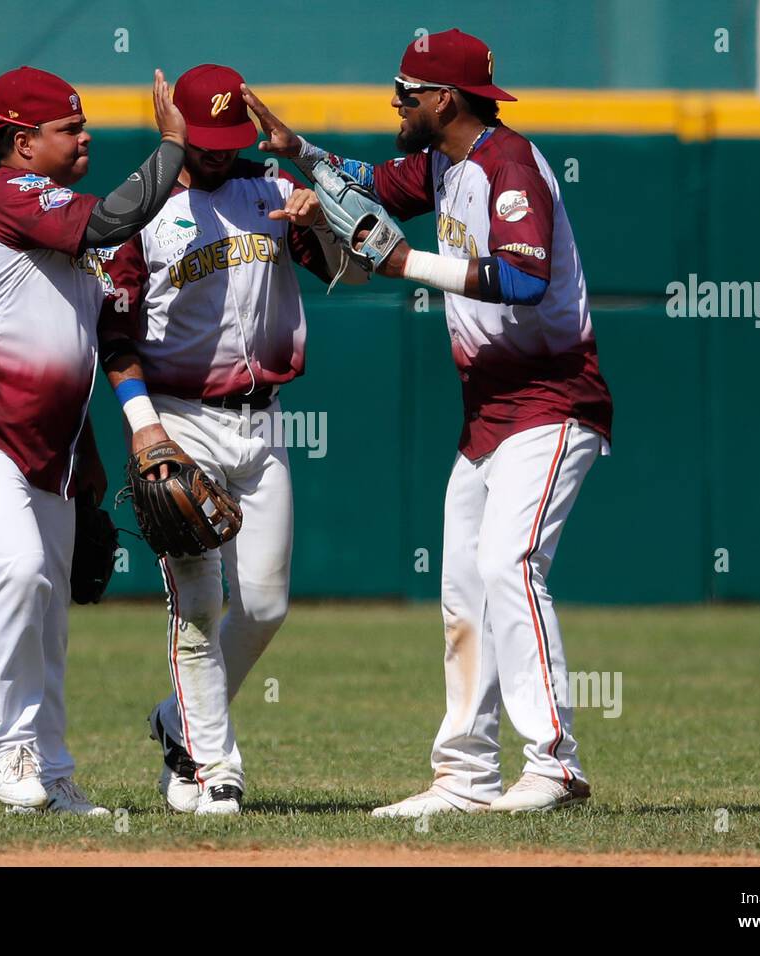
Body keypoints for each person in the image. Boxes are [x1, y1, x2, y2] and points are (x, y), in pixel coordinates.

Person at [243, 28, 614, 816]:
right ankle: (467, 776)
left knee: (511, 564)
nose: (396, 104)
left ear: (444, 100)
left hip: (552, 399)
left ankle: (555, 764)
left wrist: (404, 263)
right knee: (462, 590)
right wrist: (298, 148)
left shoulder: (510, 165)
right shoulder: (447, 162)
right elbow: (370, 180)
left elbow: (521, 277)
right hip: (487, 411)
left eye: (406, 94)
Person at [0, 65, 187, 814]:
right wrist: (173, 146)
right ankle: (5, 744)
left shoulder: (70, 232)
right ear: (23, 143)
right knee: (17, 568)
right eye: (69, 127)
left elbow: (78, 347)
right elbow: (107, 221)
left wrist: (91, 455)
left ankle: (52, 772)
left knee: (48, 610)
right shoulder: (7, 196)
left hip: (50, 450)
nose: (85, 134)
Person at [98, 63, 363, 815]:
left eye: (227, 138)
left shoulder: (272, 190)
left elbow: (353, 273)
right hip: (178, 418)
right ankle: (213, 766)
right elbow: (112, 337)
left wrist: (321, 221)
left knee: (268, 606)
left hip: (262, 421)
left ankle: (176, 720)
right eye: (201, 139)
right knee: (199, 605)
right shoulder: (140, 211)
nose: (217, 152)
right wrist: (146, 430)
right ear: (173, 129)